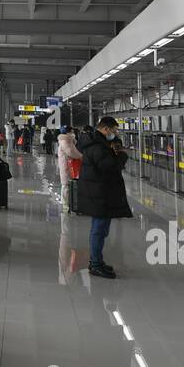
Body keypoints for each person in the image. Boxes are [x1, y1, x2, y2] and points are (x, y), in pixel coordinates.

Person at [76, 116, 132, 278]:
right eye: (113, 131)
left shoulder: (98, 143)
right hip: (99, 193)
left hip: (99, 191)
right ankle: (95, 264)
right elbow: (110, 167)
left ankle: (97, 261)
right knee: (99, 230)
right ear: (105, 129)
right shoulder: (98, 147)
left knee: (100, 229)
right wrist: (121, 155)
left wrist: (115, 148)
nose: (115, 134)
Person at [56, 124, 83, 204]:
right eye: (72, 131)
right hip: (67, 164)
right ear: (68, 132)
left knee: (67, 184)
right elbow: (71, 152)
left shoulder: (67, 140)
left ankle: (67, 202)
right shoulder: (65, 141)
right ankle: (66, 203)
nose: (73, 133)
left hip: (68, 163)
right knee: (66, 184)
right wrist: (81, 156)